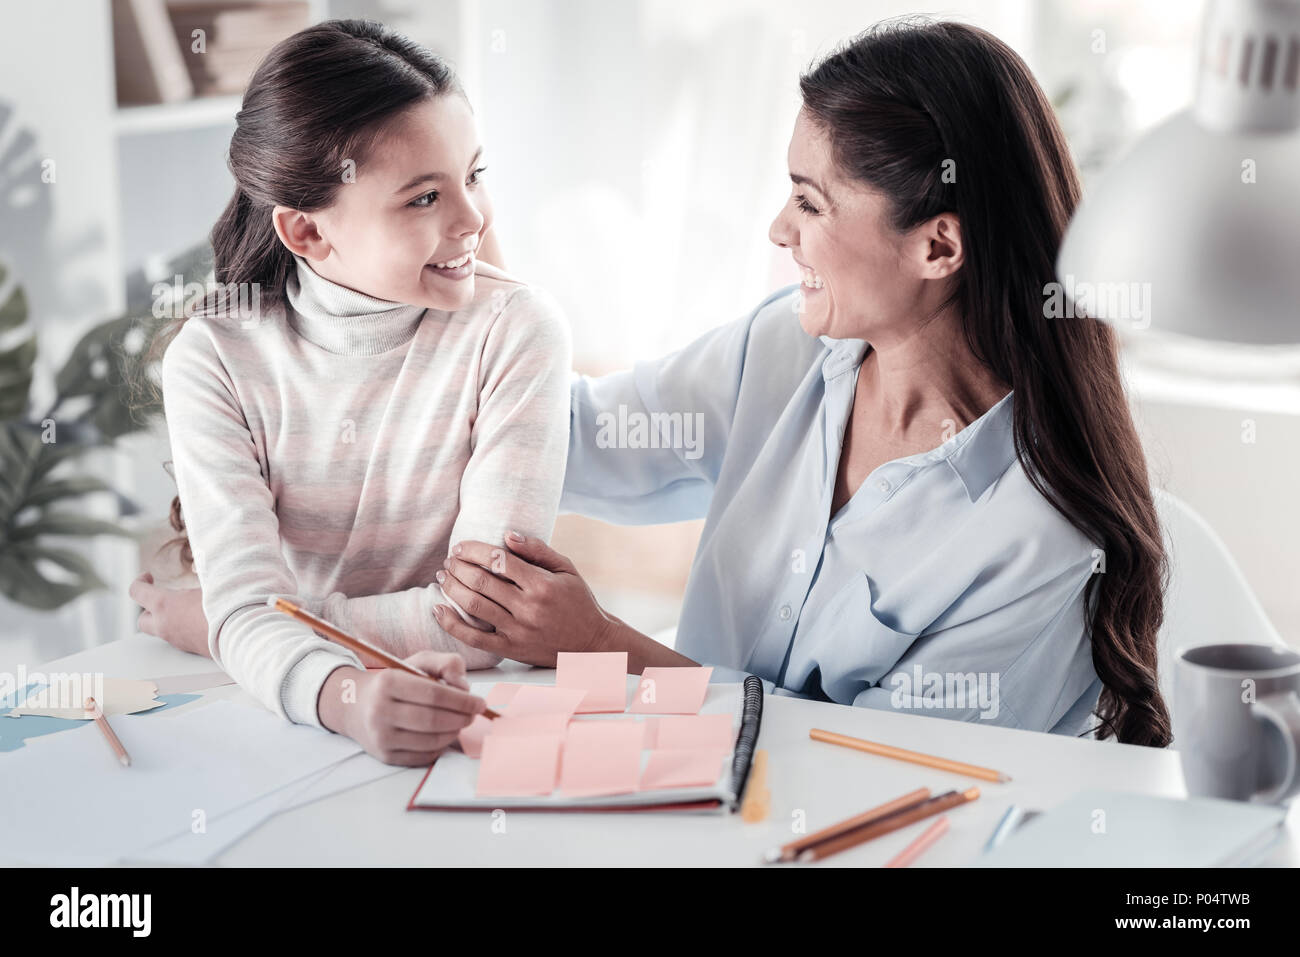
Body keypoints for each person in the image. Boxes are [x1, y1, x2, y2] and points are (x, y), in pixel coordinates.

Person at [138, 19, 572, 766]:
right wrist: (342, 695)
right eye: (423, 198)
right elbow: (250, 614)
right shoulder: (214, 358)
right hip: (288, 726)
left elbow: (486, 620)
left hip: (464, 719)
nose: (473, 220)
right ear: (306, 233)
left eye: (473, 175)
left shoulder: (516, 330)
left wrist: (231, 627)